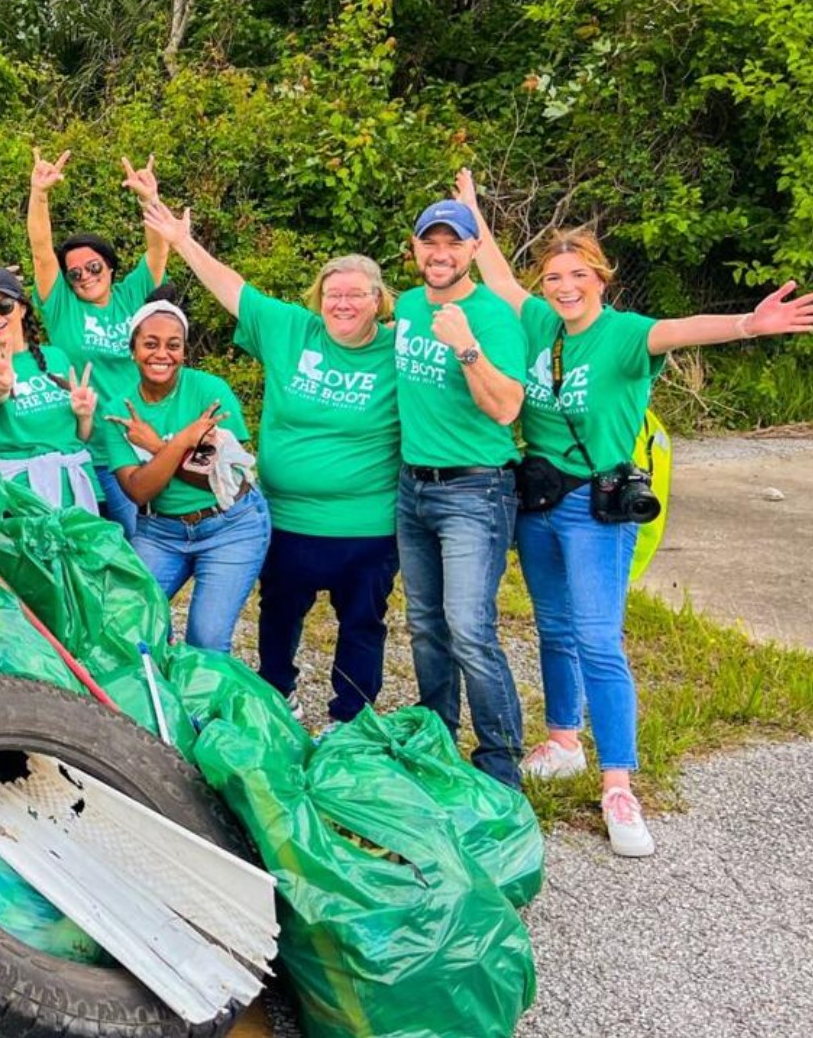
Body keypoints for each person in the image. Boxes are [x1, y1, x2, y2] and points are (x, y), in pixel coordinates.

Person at [458, 169, 813, 854]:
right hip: (539, 500)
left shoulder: (623, 336)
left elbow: (684, 328)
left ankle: (619, 784)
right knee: (554, 629)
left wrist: (749, 323)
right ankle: (565, 740)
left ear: (601, 278)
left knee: (598, 640)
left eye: (577, 277)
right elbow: (500, 279)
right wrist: (474, 219)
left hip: (597, 508)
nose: (564, 288)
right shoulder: (538, 322)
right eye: (554, 277)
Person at [147, 201, 401, 720]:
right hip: (285, 517)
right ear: (319, 299)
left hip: (367, 523)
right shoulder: (292, 330)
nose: (343, 304)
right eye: (334, 294)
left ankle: (349, 717)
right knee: (280, 613)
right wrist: (180, 241)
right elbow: (233, 289)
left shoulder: (400, 349)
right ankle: (276, 693)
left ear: (379, 300)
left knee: (361, 621)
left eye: (356, 294)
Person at [393, 190, 529, 789]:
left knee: (470, 628)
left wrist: (466, 346)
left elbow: (505, 409)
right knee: (424, 625)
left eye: (454, 242)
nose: (440, 252)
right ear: (415, 249)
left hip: (476, 490)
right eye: (431, 241)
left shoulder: (495, 315)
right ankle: (439, 741)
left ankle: (500, 763)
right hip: (413, 487)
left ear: (474, 249)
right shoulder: (403, 305)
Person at [100, 292, 269, 651]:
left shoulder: (209, 390)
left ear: (183, 351)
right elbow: (138, 491)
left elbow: (223, 479)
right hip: (160, 530)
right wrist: (183, 443)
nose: (162, 354)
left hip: (229, 526)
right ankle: (156, 699)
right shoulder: (120, 409)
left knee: (205, 638)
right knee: (130, 624)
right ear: (132, 349)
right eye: (150, 343)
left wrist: (158, 447)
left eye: (173, 345)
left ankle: (205, 706)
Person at [27, 148, 170, 538]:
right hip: (90, 450)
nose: (85, 277)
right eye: (74, 273)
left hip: (137, 442)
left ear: (109, 266)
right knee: (106, 543)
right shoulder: (62, 307)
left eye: (93, 267)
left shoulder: (131, 295)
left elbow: (158, 249)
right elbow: (42, 252)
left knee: (147, 542)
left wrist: (149, 200)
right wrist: (39, 195)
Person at [0, 266, 101, 512]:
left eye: (3, 305)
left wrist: (84, 415)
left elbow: (79, 437)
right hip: (20, 494)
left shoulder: (55, 358)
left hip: (76, 485)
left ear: (22, 308)